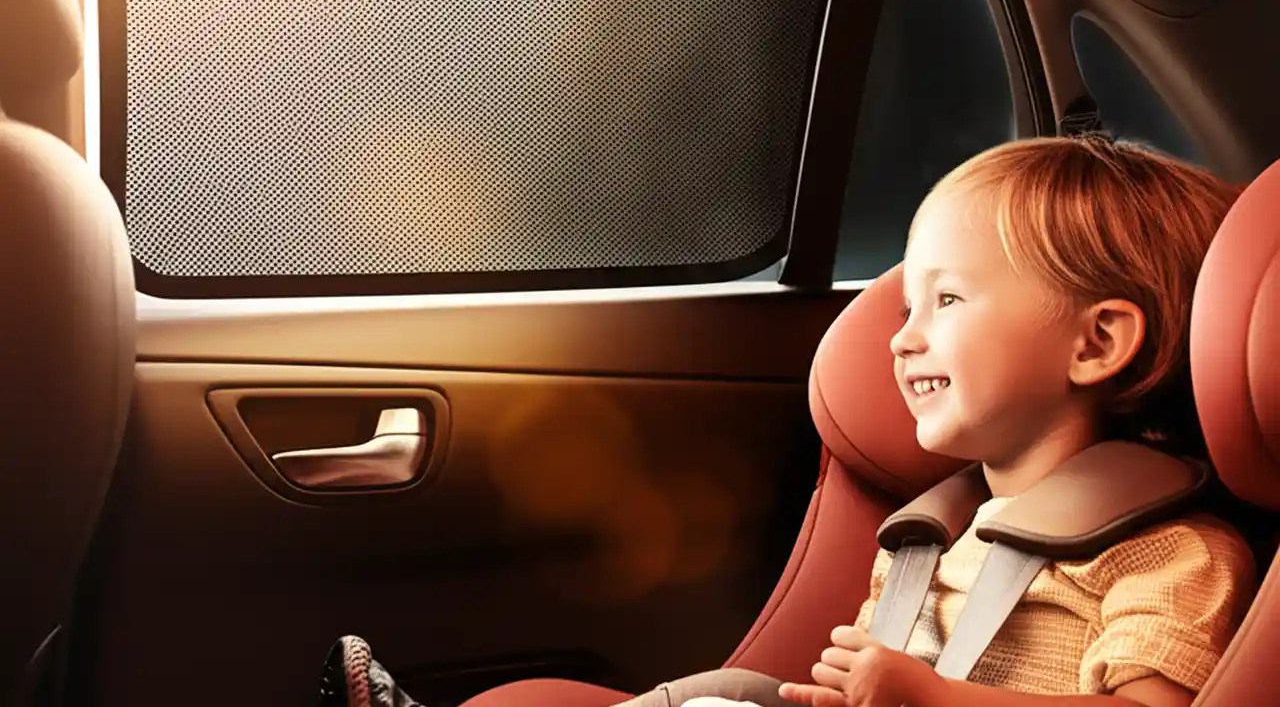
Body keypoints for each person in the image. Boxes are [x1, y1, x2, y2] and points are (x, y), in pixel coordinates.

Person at [320, 136, 1256, 707]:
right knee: (727, 693)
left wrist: (929, 697)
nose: (901, 340)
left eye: (949, 301)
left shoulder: (1168, 553)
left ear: (1096, 344)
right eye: (904, 308)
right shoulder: (935, 536)